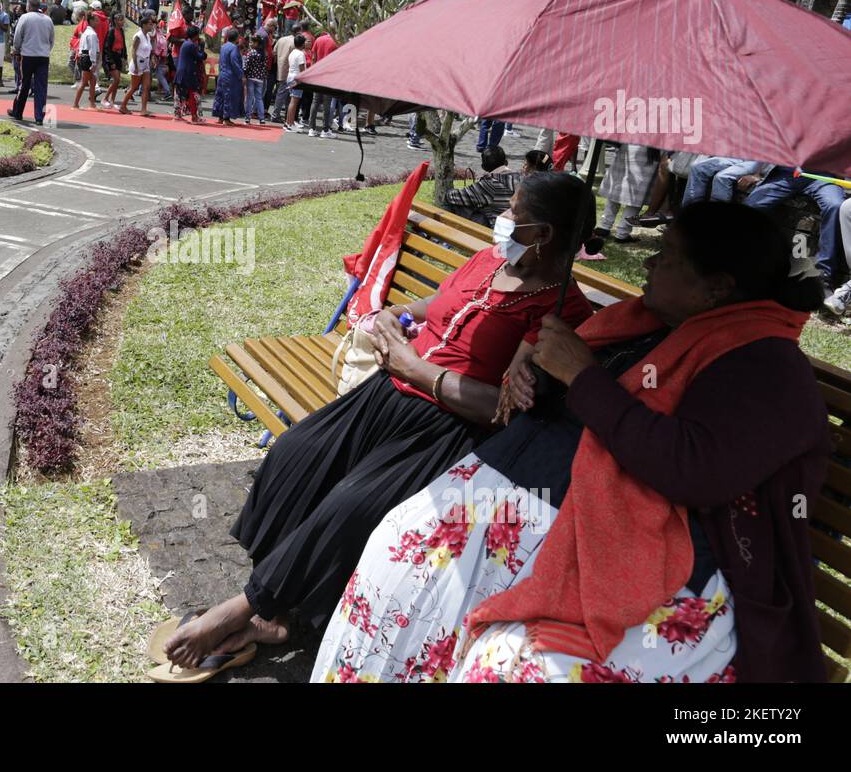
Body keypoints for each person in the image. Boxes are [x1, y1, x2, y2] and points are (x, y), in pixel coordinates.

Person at [313, 202, 830, 684]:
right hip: (521, 500)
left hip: (643, 562)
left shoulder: (768, 370)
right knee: (396, 551)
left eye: (666, 256)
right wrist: (533, 366)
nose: (648, 264)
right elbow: (575, 404)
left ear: (716, 288)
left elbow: (692, 470)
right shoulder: (646, 325)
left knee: (512, 666)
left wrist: (582, 376)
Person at [160, 174, 598, 671]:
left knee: (352, 504)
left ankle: (244, 610)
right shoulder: (491, 258)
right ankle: (283, 613)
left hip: (446, 426)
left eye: (514, 213)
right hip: (387, 392)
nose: (502, 221)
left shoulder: (564, 313)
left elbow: (503, 409)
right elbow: (440, 304)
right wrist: (397, 315)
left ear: (542, 235)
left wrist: (417, 369)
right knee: (295, 453)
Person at [745, 165, 846, 293]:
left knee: (835, 206)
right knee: (751, 206)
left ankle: (823, 273)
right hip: (786, 173)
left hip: (822, 176)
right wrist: (756, 173)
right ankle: (752, 261)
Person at [443, 145, 527, 226]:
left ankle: (442, 235)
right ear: (506, 162)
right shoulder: (522, 177)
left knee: (452, 200)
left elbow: (452, 196)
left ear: (483, 167)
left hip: (496, 230)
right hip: (520, 229)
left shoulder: (490, 183)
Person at [595, 143, 659, 243]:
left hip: (629, 146)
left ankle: (605, 226)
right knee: (636, 196)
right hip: (649, 151)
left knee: (616, 189)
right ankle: (621, 233)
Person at [7, 0, 54, 125]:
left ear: (28, 6)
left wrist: (17, 50)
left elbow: (17, 37)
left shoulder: (25, 18)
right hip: (43, 57)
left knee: (24, 85)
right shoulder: (48, 19)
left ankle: (18, 112)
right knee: (41, 87)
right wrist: (45, 50)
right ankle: (39, 116)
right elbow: (51, 40)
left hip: (28, 56)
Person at [682, 155, 764, 206]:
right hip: (736, 155)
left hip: (756, 159)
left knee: (722, 177)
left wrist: (757, 174)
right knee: (697, 168)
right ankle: (689, 214)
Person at [119, 12, 155, 116]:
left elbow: (149, 50)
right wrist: (136, 66)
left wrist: (152, 59)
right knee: (134, 87)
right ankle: (123, 105)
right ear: (143, 25)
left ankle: (143, 109)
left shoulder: (147, 36)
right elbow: (133, 51)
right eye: (149, 24)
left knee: (146, 87)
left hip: (146, 63)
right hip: (138, 63)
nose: (151, 26)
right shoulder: (138, 36)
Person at [307, 26, 340, 137]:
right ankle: (325, 129)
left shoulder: (318, 40)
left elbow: (313, 58)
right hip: (329, 76)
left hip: (317, 74)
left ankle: (311, 128)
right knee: (327, 103)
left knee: (315, 102)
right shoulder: (336, 42)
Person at [212, 26, 243, 126]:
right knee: (229, 96)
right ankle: (226, 118)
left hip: (222, 74)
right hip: (230, 76)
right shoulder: (234, 48)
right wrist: (241, 75)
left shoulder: (224, 46)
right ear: (236, 38)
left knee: (220, 96)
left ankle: (220, 117)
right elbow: (235, 63)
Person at [173, 25, 204, 123]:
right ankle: (194, 117)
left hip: (181, 72)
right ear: (195, 35)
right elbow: (200, 56)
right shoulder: (191, 45)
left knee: (179, 94)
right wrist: (202, 47)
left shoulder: (185, 43)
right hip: (188, 74)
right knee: (192, 95)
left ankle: (177, 115)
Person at [281, 34, 309, 133]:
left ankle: (288, 123)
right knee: (294, 102)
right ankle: (290, 124)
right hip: (296, 78)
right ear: (302, 44)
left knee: (292, 101)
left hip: (290, 76)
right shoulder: (300, 54)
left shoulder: (293, 52)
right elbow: (302, 69)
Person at [72, 14, 100, 109]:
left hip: (84, 56)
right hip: (88, 58)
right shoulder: (91, 34)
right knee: (84, 82)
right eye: (96, 20)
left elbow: (81, 47)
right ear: (91, 21)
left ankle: (92, 103)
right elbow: (92, 50)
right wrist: (93, 63)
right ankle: (76, 104)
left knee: (92, 81)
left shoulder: (85, 32)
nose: (98, 22)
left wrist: (80, 55)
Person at [102, 12, 127, 108]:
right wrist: (110, 61)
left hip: (118, 56)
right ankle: (105, 98)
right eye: (120, 20)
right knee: (116, 79)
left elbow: (123, 44)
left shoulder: (121, 31)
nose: (122, 22)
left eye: (123, 19)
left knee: (117, 80)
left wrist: (125, 56)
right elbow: (107, 48)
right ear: (115, 20)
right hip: (111, 56)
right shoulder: (111, 31)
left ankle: (112, 100)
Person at [242, 30, 267, 124]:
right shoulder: (264, 54)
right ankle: (262, 118)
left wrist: (244, 75)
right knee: (259, 98)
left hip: (251, 78)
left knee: (249, 98)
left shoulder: (251, 53)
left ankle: (247, 117)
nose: (250, 43)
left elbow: (246, 66)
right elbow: (265, 68)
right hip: (260, 79)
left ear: (257, 43)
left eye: (252, 42)